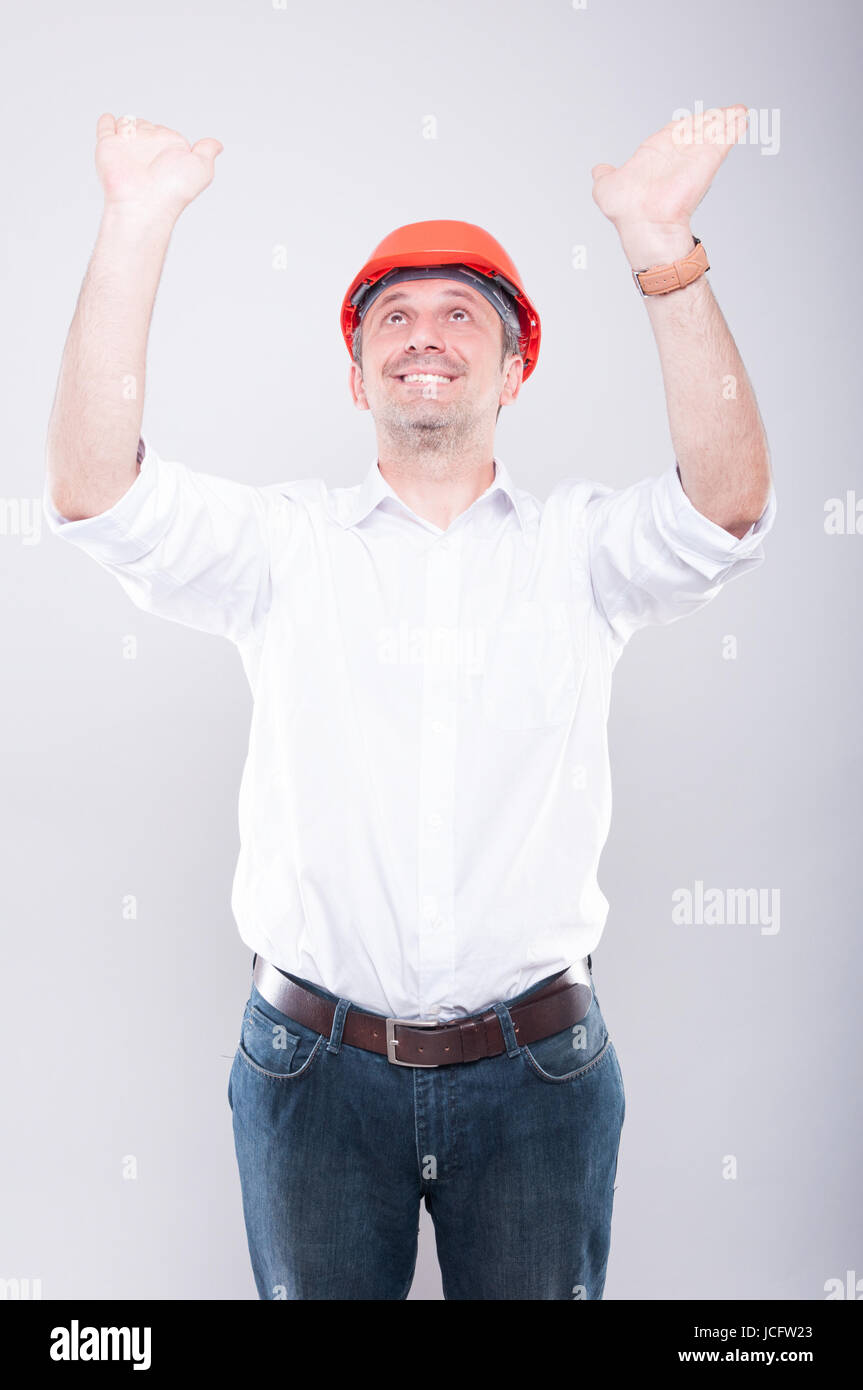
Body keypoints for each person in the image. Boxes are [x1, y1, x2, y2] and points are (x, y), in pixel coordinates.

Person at [43, 108, 776, 1300]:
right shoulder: (279, 549)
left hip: (538, 1070)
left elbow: (727, 508)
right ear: (355, 372)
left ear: (514, 365)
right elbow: (90, 488)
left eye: (457, 315)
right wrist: (134, 222)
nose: (421, 336)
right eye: (393, 315)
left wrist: (659, 243)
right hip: (309, 1070)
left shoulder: (579, 552)